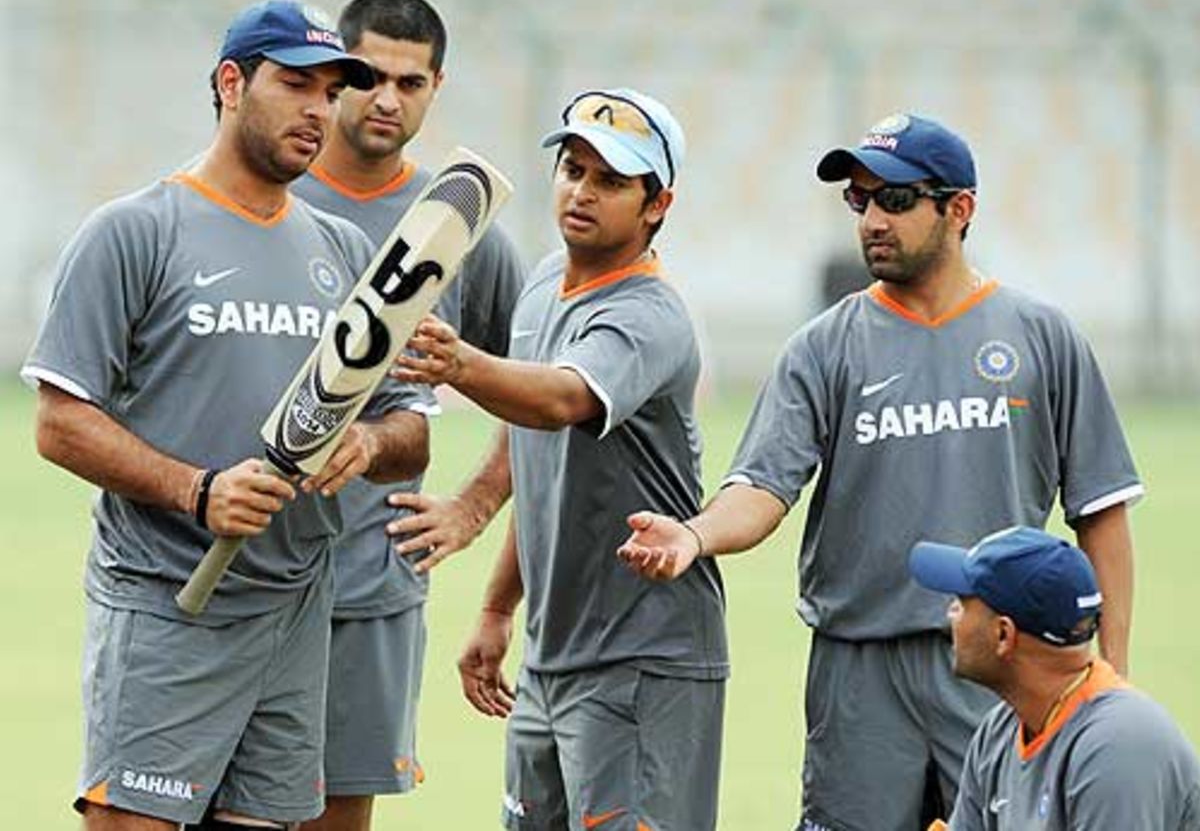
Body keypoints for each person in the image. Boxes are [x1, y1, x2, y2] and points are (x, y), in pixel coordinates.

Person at [616, 112, 1142, 831]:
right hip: (858, 674)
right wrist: (695, 536)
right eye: (860, 200)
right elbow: (764, 487)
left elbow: (1101, 511)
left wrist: (1106, 675)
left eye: (895, 200)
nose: (871, 221)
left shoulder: (1040, 337)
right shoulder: (823, 348)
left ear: (959, 209)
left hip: (999, 661)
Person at [22, 0, 433, 831]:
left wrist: (366, 440)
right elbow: (59, 420)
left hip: (294, 612)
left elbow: (409, 425)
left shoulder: (345, 252)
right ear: (231, 83)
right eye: (296, 85)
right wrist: (197, 489)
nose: (319, 110)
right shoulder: (135, 231)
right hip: (169, 606)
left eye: (329, 91)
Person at [392, 88, 729, 830]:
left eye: (610, 181)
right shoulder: (546, 282)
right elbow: (539, 449)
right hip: (555, 659)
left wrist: (460, 364)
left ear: (656, 204)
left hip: (643, 662)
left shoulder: (648, 316)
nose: (582, 191)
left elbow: (560, 400)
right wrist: (495, 605)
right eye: (573, 168)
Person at [289, 0, 525, 831]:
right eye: (373, 76)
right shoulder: (271, 199)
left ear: (436, 87)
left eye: (412, 83)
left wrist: (470, 505)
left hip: (370, 577)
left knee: (337, 812)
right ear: (338, 78)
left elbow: (537, 393)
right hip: (248, 566)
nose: (390, 98)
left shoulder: (460, 228)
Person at [910, 526, 1200, 829]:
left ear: (1003, 635)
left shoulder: (1119, 747)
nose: (951, 613)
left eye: (963, 601)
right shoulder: (1000, 731)